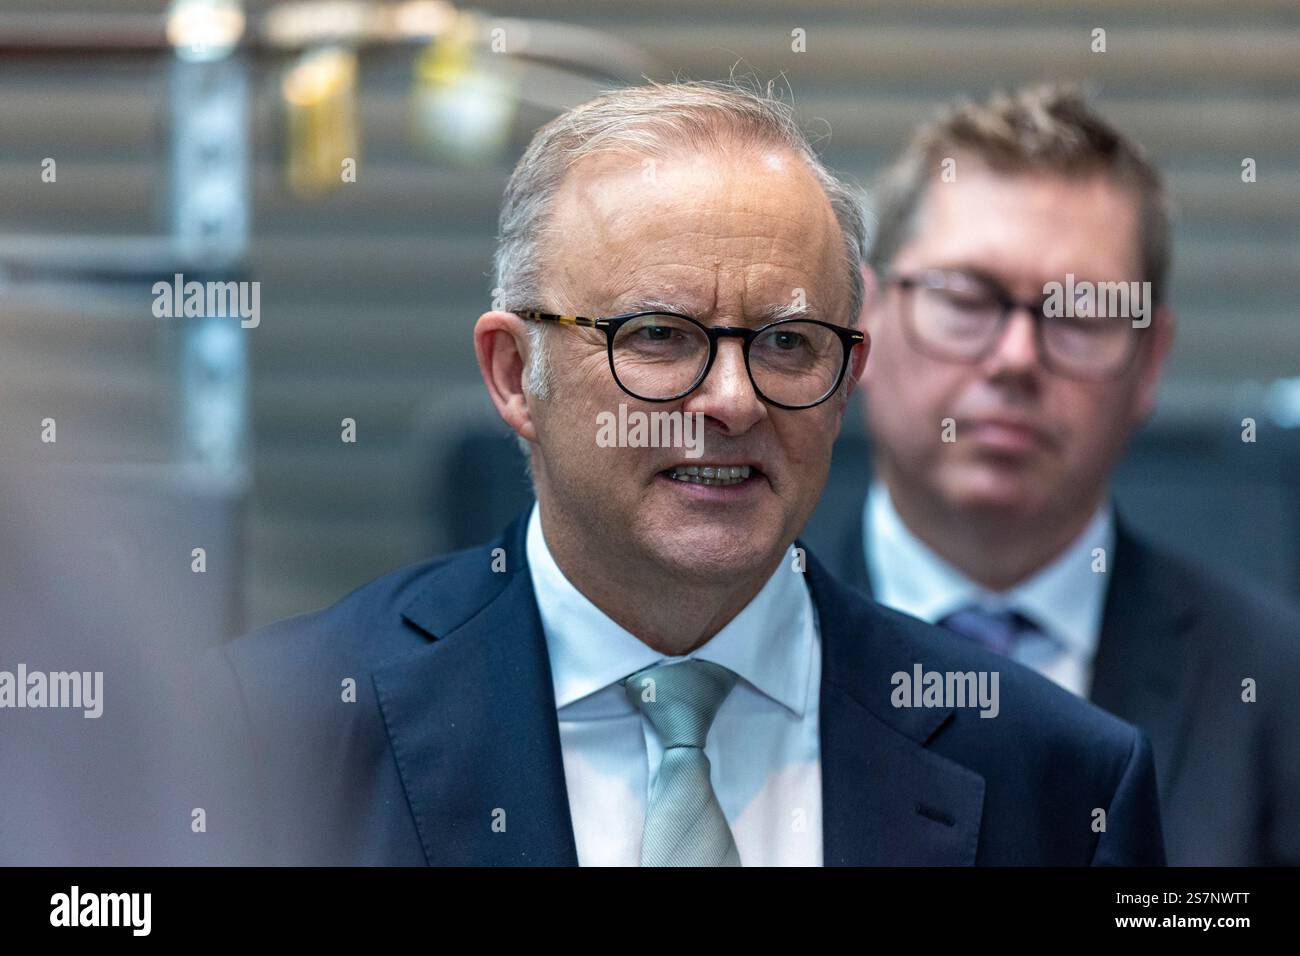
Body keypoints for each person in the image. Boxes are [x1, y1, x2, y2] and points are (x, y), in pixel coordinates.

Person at [191, 80, 1164, 866]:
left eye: (787, 341)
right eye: (657, 335)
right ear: (511, 374)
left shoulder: (1055, 773)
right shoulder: (273, 729)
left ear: (844, 380)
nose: (734, 400)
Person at [819, 83, 1300, 865]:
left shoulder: (1274, 690)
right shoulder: (735, 652)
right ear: (865, 321)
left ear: (1151, 361)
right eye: (965, 298)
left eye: (1080, 314)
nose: (1015, 360)